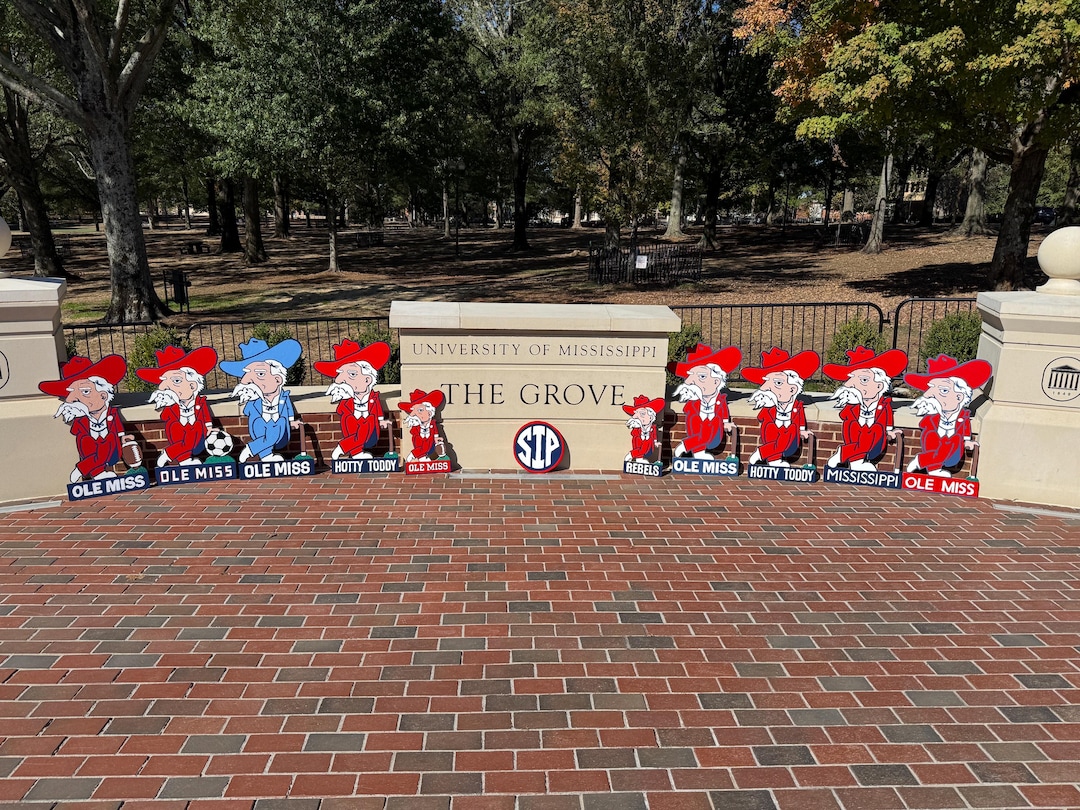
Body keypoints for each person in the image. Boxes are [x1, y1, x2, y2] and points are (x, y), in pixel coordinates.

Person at [39, 354, 134, 483]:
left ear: (103, 395)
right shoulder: (81, 420)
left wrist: (123, 437)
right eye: (73, 393)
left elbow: (118, 428)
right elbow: (76, 432)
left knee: (108, 443)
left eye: (85, 392)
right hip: (89, 443)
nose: (75, 399)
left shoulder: (112, 413)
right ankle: (97, 472)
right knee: (88, 443)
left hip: (110, 445)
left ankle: (82, 468)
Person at [904, 354, 992, 477]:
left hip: (953, 453)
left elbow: (965, 432)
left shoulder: (963, 417)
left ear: (959, 396)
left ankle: (920, 461)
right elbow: (923, 425)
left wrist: (968, 442)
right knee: (931, 436)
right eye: (932, 390)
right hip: (933, 444)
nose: (933, 396)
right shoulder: (932, 417)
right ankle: (934, 468)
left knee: (954, 440)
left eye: (944, 391)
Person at [822, 346, 907, 470]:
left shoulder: (884, 404)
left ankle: (844, 453)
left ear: (879, 385)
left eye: (864, 380)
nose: (854, 385)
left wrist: (890, 430)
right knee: (857, 429)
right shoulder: (853, 405)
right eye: (852, 380)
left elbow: (887, 418)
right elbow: (843, 415)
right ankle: (856, 462)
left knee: (876, 429)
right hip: (854, 431)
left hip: (875, 437)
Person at [220, 338, 303, 463]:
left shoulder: (284, 398)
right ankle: (266, 457)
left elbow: (288, 411)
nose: (249, 380)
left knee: (278, 424)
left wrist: (291, 422)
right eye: (247, 374)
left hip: (281, 431)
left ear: (277, 380)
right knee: (261, 424)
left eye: (260, 374)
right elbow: (248, 411)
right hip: (259, 427)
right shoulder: (254, 401)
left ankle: (251, 449)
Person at [136, 346, 217, 467]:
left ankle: (169, 454)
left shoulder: (200, 402)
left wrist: (209, 426)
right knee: (178, 431)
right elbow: (164, 416)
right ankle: (182, 459)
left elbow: (205, 416)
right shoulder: (172, 406)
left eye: (176, 381)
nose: (167, 387)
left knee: (194, 432)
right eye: (164, 381)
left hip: (197, 432)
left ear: (192, 386)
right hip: (177, 430)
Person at [743, 347, 820, 467]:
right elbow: (761, 417)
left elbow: (800, 419)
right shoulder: (770, 406)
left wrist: (802, 430)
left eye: (778, 383)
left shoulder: (797, 406)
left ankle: (761, 453)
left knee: (788, 433)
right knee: (772, 428)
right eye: (768, 383)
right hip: (771, 433)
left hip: (791, 439)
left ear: (792, 389)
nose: (769, 388)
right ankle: (774, 460)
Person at [315, 339, 391, 460]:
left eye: (352, 374)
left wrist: (381, 420)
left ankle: (342, 447)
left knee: (369, 420)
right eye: (341, 374)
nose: (343, 380)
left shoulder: (373, 397)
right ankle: (356, 453)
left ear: (367, 380)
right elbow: (340, 411)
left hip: (370, 434)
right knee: (349, 418)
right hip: (352, 429)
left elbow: (377, 411)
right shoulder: (347, 400)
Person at [667, 344, 741, 459]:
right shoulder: (694, 401)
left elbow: (723, 411)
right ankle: (698, 453)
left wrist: (726, 422)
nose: (694, 382)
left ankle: (686, 445)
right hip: (696, 423)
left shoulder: (720, 400)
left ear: (716, 381)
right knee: (696, 421)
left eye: (702, 376)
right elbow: (687, 410)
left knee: (715, 423)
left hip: (714, 430)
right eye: (691, 377)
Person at [399, 389, 446, 462]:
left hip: (431, 444)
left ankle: (420, 456)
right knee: (421, 447)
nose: (417, 414)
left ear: (429, 412)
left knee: (437, 446)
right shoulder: (416, 427)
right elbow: (415, 436)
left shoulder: (432, 424)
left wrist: (436, 438)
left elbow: (435, 432)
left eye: (420, 410)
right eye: (415, 411)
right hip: (420, 444)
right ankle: (416, 456)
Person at [623, 394, 664, 463]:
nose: (640, 417)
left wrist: (655, 442)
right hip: (639, 441)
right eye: (637, 414)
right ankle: (631, 455)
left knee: (646, 450)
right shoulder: (637, 428)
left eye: (643, 414)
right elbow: (634, 434)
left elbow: (654, 435)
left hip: (649, 443)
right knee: (640, 449)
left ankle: (639, 460)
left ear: (651, 416)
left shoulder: (652, 427)